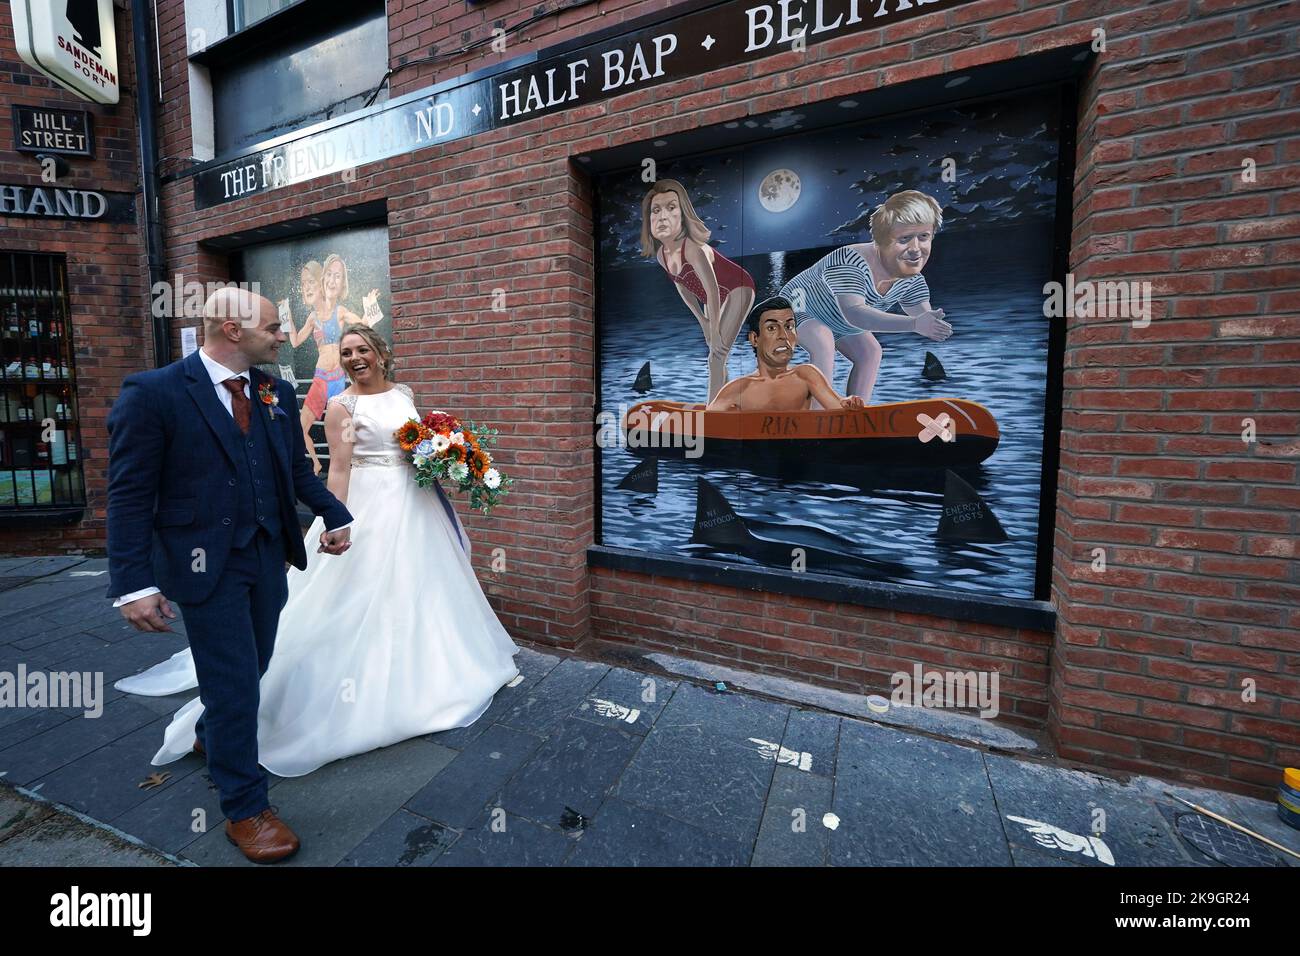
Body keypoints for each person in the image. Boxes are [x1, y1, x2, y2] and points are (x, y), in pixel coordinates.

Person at [116, 325, 521, 856]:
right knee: (317, 622)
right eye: (346, 351)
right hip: (363, 510)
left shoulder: (400, 395)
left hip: (414, 507)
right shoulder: (338, 406)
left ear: (381, 354)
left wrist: (446, 457)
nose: (354, 358)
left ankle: (429, 667)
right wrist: (337, 520)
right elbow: (337, 472)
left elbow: (406, 445)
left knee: (421, 594)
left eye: (362, 349)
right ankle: (237, 779)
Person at [106, 287, 354, 864]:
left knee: (258, 660)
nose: (280, 334)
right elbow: (129, 496)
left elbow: (294, 470)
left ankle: (215, 735)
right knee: (236, 679)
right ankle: (245, 808)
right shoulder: (155, 393)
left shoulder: (271, 389)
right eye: (272, 327)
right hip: (203, 565)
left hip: (266, 556)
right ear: (234, 331)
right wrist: (133, 584)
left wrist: (335, 514)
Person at [779, 189, 952, 407]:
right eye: (905, 239)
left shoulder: (912, 279)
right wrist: (914, 324)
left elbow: (922, 315)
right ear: (881, 241)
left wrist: (930, 322)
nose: (915, 249)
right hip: (796, 307)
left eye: (923, 237)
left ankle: (858, 411)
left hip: (838, 320)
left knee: (870, 352)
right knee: (822, 340)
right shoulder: (850, 263)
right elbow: (856, 314)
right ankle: (817, 412)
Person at [642, 179, 756, 403]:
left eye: (671, 207)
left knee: (716, 354)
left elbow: (712, 290)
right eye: (656, 210)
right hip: (710, 298)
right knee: (717, 355)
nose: (662, 216)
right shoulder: (661, 256)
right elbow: (682, 286)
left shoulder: (693, 248)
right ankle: (727, 403)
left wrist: (713, 329)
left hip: (737, 289)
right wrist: (703, 321)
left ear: (683, 214)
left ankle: (713, 411)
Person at [298, 254, 384, 473]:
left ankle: (351, 467)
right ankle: (316, 465)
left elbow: (364, 324)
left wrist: (371, 306)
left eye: (338, 276)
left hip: (337, 378)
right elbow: (296, 341)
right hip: (320, 377)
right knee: (301, 427)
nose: (332, 280)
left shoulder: (341, 311)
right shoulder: (313, 316)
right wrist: (285, 318)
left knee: (342, 429)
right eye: (329, 274)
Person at [707, 296, 865, 413]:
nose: (784, 335)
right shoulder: (737, 389)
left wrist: (849, 403)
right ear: (755, 339)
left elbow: (838, 406)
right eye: (772, 328)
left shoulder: (806, 375)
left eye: (789, 326)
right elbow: (706, 424)